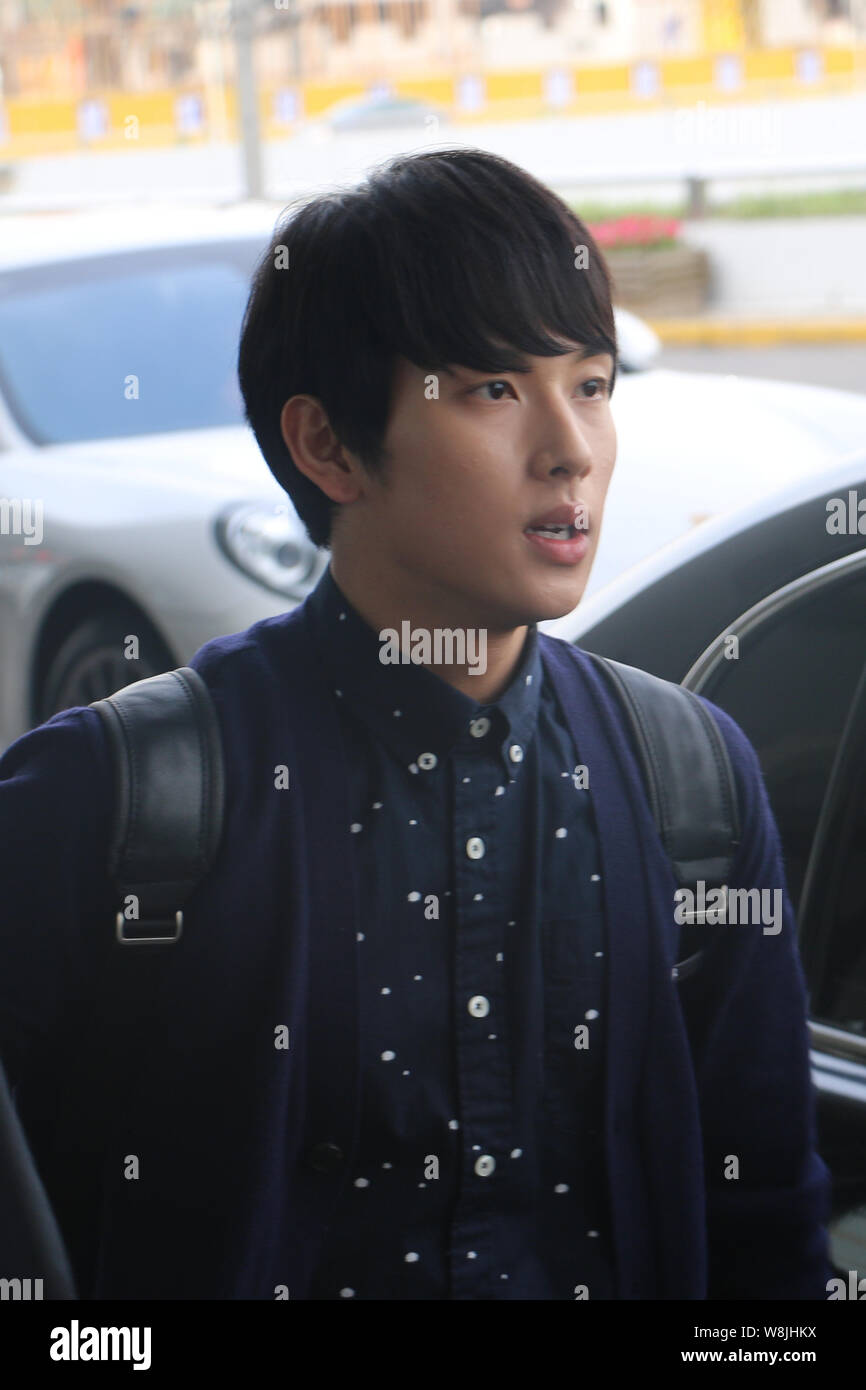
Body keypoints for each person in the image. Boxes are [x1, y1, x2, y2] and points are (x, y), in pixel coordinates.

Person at [0, 148, 833, 1300]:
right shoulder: (120, 799)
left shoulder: (685, 780)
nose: (570, 449)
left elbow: (763, 1233)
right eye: (494, 389)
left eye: (589, 384)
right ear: (327, 444)